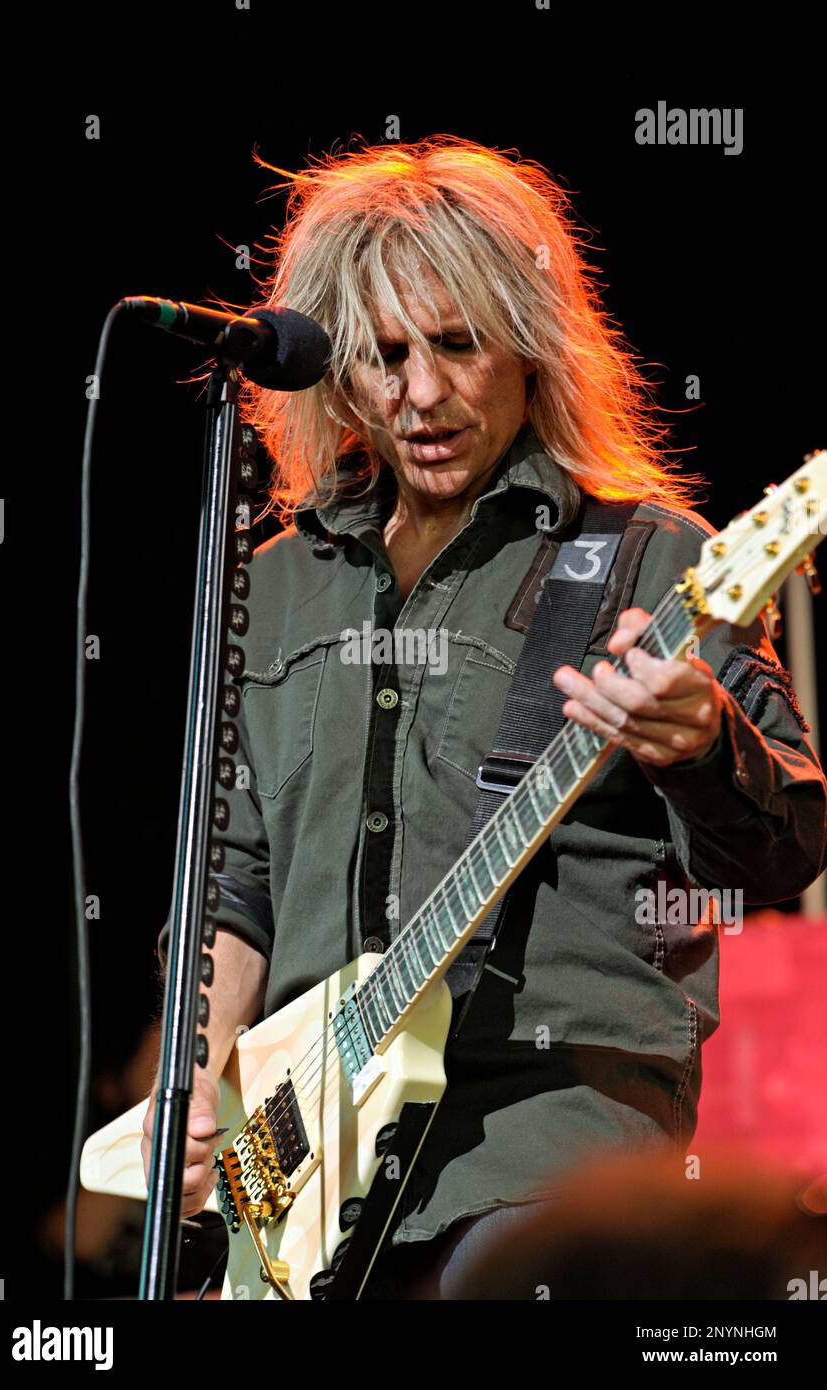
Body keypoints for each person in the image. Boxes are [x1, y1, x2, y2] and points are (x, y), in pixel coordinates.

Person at [143, 136, 827, 1299]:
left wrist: (702, 746)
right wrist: (196, 1079)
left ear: (529, 339)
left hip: (544, 1148)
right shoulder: (274, 584)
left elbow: (783, 847)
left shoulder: (647, 560)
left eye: (455, 345)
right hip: (306, 1179)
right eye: (382, 356)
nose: (417, 394)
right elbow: (233, 881)